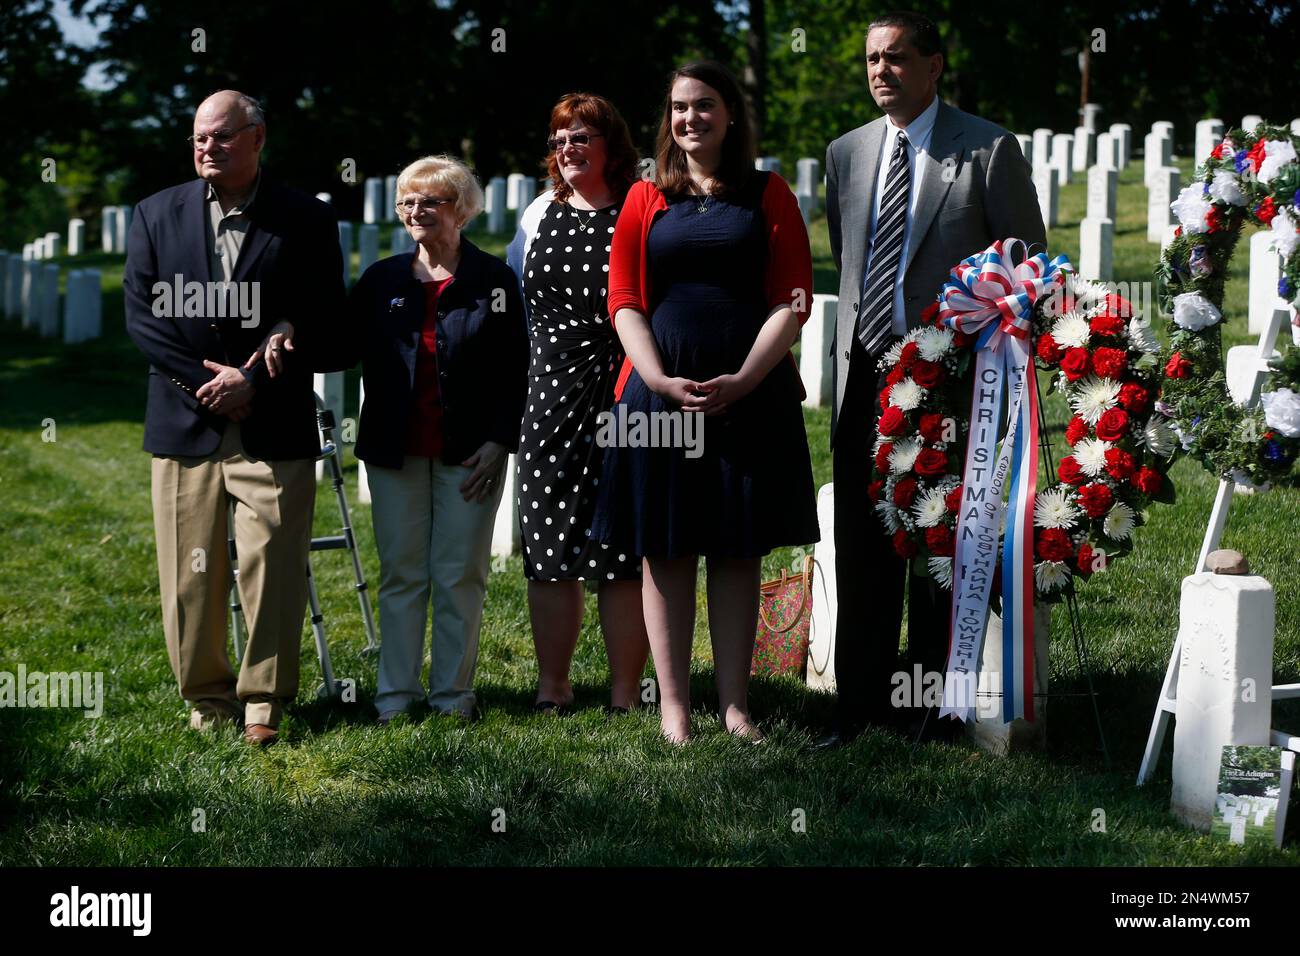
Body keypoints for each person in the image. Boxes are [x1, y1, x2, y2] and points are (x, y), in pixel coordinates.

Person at [820, 11, 1046, 747]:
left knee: (937, 542)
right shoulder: (846, 152)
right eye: (871, 61)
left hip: (952, 380)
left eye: (895, 58)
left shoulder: (986, 149)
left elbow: (1026, 266)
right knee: (862, 541)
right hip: (863, 370)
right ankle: (859, 707)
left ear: (934, 65)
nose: (880, 71)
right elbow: (850, 256)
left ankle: (932, 711)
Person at [593, 61, 818, 744]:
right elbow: (624, 300)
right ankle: (672, 706)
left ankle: (735, 706)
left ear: (730, 115)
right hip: (658, 396)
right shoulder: (643, 197)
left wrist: (747, 377)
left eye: (705, 105)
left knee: (736, 547)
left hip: (749, 392)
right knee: (664, 547)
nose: (690, 118)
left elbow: (793, 298)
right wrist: (657, 380)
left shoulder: (768, 193)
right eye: (679, 108)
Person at [260, 155, 528, 723]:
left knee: (460, 575)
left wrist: (501, 440)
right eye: (407, 201)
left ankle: (453, 698)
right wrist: (289, 332)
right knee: (402, 575)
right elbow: (339, 346)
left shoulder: (493, 281)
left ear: (462, 209)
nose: (415, 210)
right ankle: (395, 698)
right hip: (393, 451)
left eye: (429, 201)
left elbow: (515, 368)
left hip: (471, 453)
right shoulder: (382, 280)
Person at [123, 90, 345, 747]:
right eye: (198, 138)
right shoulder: (156, 214)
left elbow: (331, 320)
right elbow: (142, 319)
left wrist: (262, 363)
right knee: (191, 571)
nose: (206, 148)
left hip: (272, 420)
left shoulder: (303, 218)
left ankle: (263, 702)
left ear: (257, 138)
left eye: (221, 137)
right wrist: (208, 382)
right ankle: (206, 696)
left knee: (272, 563)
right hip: (185, 422)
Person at [506, 93, 650, 714]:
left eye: (582, 137)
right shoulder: (539, 213)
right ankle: (553, 687)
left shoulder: (641, 208)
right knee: (548, 546)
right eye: (561, 138)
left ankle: (625, 692)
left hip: (626, 389)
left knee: (624, 550)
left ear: (610, 144)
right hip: (553, 392)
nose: (569, 149)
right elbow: (518, 303)